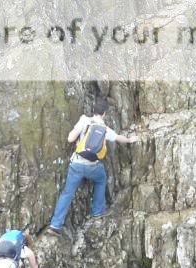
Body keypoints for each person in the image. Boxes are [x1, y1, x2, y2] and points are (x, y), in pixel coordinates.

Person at [47, 96, 138, 235]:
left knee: (67, 193)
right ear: (104, 114)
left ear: (93, 110)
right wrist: (130, 139)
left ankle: (55, 224)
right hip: (92, 167)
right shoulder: (105, 129)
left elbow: (70, 138)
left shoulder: (84, 120)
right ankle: (97, 211)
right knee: (101, 179)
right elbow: (119, 138)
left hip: (76, 164)